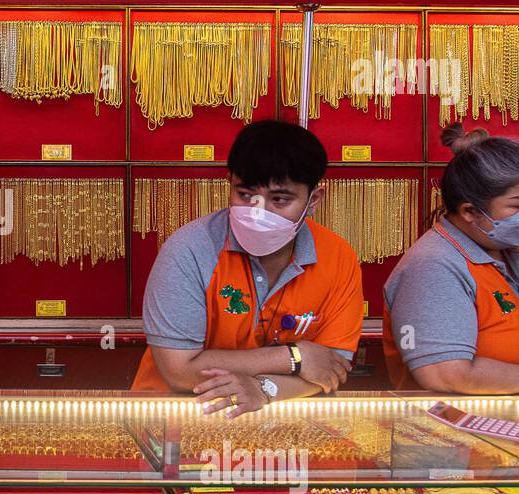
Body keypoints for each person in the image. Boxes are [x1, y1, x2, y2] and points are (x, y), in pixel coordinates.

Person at [131, 120, 363, 415]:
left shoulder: (339, 258)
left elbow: (330, 369)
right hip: (176, 421)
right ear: (229, 183)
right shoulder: (189, 251)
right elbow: (178, 371)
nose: (258, 212)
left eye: (280, 199)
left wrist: (264, 390)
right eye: (245, 195)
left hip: (282, 432)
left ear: (313, 199)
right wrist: (295, 358)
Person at [383, 124, 519, 395]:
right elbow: (445, 374)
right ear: (469, 211)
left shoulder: (517, 252)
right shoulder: (433, 266)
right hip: (457, 432)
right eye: (518, 204)